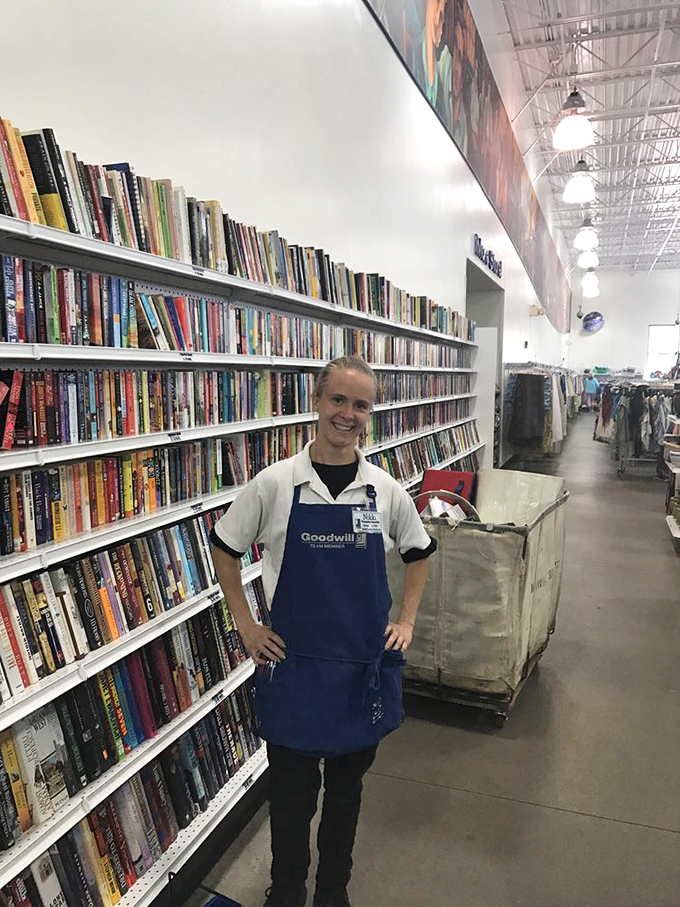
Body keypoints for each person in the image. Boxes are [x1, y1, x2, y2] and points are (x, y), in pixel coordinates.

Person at [210, 356, 436, 907]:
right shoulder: (276, 484)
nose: (347, 414)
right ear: (316, 402)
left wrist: (406, 619)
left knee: (345, 798)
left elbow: (420, 552)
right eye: (338, 400)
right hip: (295, 672)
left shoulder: (385, 491)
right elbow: (224, 547)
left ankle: (333, 894)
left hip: (360, 676)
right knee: (291, 802)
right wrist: (246, 625)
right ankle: (286, 894)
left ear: (369, 414)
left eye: (361, 405)